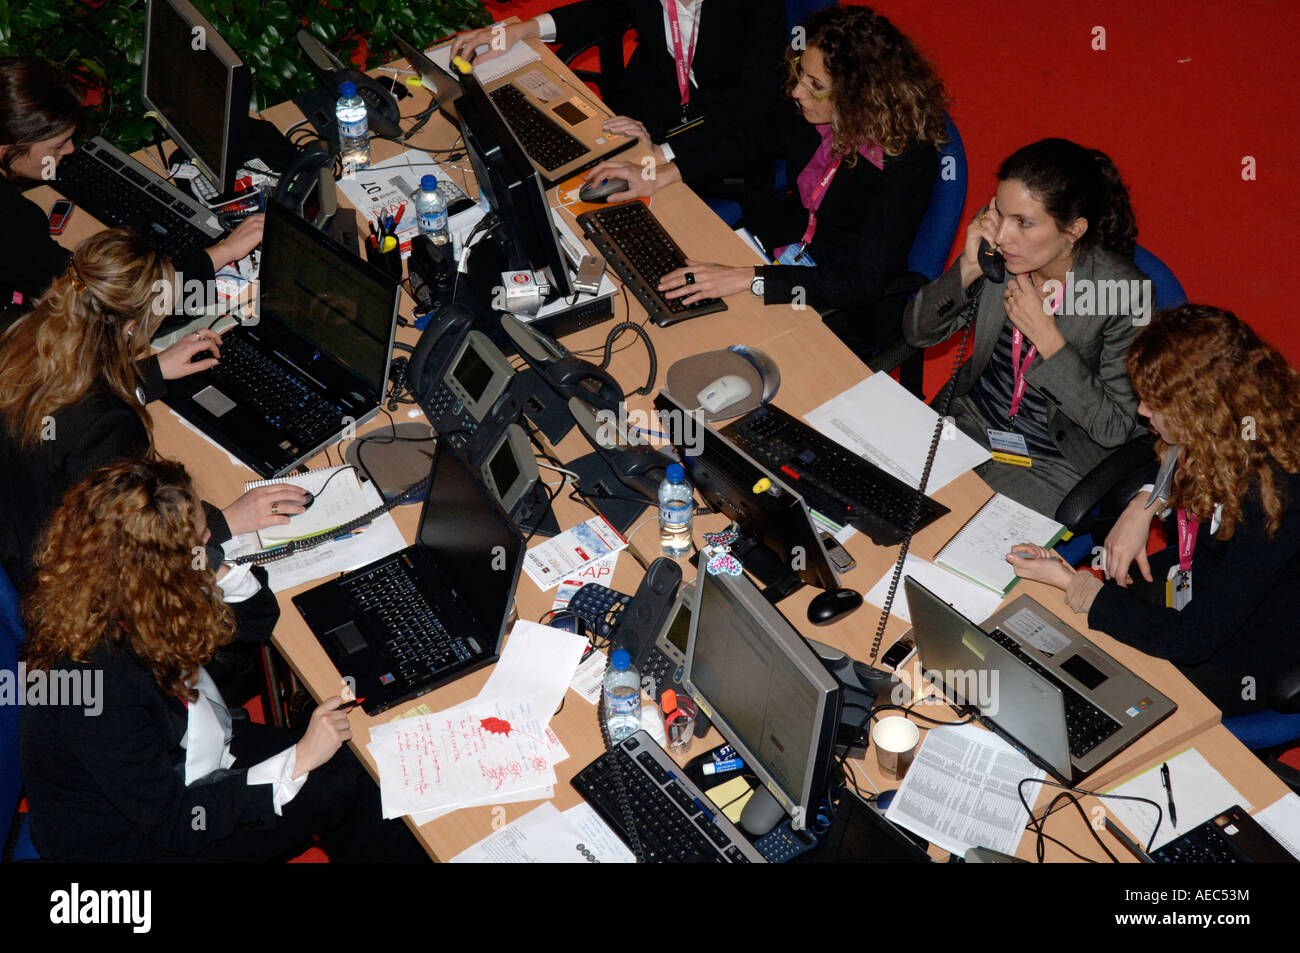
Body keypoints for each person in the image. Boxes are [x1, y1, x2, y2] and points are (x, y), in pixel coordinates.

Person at [19, 459, 426, 861]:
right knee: (345, 779)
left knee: (348, 769)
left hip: (191, 750)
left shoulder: (121, 593)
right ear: (158, 570)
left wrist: (217, 566)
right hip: (142, 840)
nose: (212, 534)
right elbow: (178, 824)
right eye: (201, 534)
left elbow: (258, 621)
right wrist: (300, 759)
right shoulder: (97, 692)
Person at [1007, 305, 1300, 717]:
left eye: (1155, 404)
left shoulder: (1272, 503)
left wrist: (1072, 583)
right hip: (1200, 579)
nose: (1142, 411)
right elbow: (1176, 450)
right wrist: (1145, 502)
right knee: (1051, 634)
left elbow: (1192, 639)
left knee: (1085, 684)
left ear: (1203, 412)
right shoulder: (1244, 414)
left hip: (1243, 644)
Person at [0, 229, 304, 618]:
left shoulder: (17, 328)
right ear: (130, 327)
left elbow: (65, 391)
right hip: (60, 588)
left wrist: (149, 372)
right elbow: (128, 547)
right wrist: (224, 522)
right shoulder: (106, 429)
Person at [653, 6, 946, 358]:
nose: (796, 91)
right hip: (782, 249)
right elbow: (753, 138)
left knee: (702, 344)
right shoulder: (817, 109)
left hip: (836, 300)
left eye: (815, 85)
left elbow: (863, 283)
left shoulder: (906, 164)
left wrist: (752, 278)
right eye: (800, 74)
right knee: (672, 280)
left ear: (859, 95)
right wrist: (668, 169)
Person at [903, 138, 1150, 515]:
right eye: (1000, 213)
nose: (1002, 236)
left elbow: (1115, 427)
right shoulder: (999, 256)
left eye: (1024, 223)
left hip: (1051, 459)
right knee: (876, 500)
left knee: (950, 548)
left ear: (1073, 231)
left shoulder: (1122, 296)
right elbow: (916, 333)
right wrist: (968, 269)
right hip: (970, 424)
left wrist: (1049, 341)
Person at [0, 55, 262, 327]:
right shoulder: (13, 223)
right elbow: (110, 305)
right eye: (57, 145)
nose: (69, 150)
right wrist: (225, 251)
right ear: (7, 148)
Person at [449, 1, 787, 197]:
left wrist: (661, 154)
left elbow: (752, 111)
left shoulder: (757, 7)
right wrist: (523, 30)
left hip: (719, 143)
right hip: (649, 112)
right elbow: (607, 7)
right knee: (547, 170)